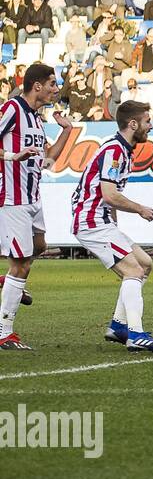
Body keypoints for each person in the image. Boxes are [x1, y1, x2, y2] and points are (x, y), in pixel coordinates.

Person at [70, 101, 153, 352]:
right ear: (133, 124)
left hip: (100, 221)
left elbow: (109, 194)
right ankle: (135, 335)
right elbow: (110, 195)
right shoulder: (115, 151)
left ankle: (118, 325)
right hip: (91, 222)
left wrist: (115, 225)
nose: (151, 126)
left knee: (145, 264)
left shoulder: (122, 150)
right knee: (133, 271)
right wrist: (140, 209)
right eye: (147, 121)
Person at [0, 63, 74, 349]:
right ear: (37, 85)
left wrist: (66, 131)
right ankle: (4, 332)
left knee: (39, 247)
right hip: (13, 198)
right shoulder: (12, 109)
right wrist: (12, 156)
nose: (56, 89)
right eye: (53, 83)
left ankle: (9, 283)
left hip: (33, 196)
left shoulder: (37, 119)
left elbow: (49, 160)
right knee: (20, 264)